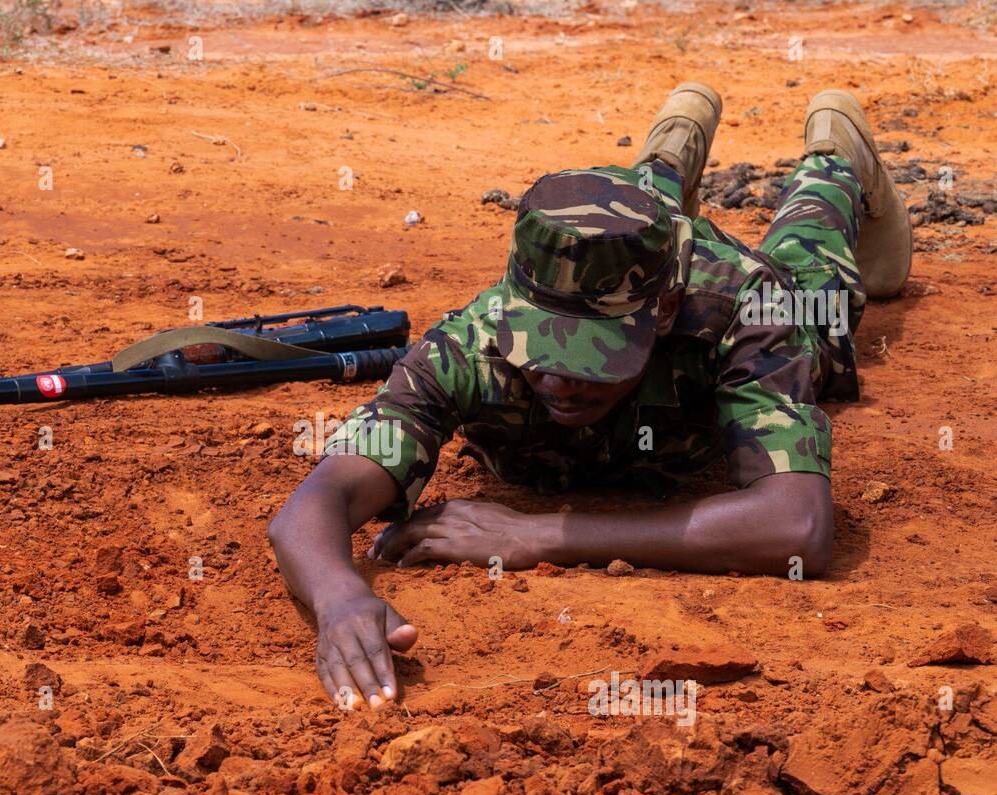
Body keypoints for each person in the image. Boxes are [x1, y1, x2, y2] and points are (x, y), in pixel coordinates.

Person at [267, 84, 913, 710]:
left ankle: (835, 159)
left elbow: (795, 526)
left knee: (816, 282)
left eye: (588, 357)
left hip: (753, 283)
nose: (555, 380)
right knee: (623, 230)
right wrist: (340, 597)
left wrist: (543, 534)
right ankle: (664, 163)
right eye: (539, 350)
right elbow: (316, 502)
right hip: (630, 248)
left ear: (661, 312)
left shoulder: (745, 308)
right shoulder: (471, 342)